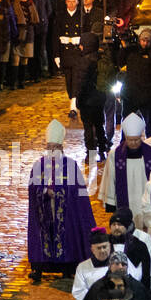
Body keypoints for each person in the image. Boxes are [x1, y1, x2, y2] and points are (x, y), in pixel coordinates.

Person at [28, 119, 97, 284]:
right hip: (44, 210)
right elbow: (32, 188)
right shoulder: (39, 165)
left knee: (66, 236)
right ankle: (39, 268)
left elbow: (77, 192)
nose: (52, 150)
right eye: (49, 147)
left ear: (61, 147)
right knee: (44, 236)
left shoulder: (71, 166)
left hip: (65, 211)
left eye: (55, 147)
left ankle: (66, 268)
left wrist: (59, 193)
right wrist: (45, 192)